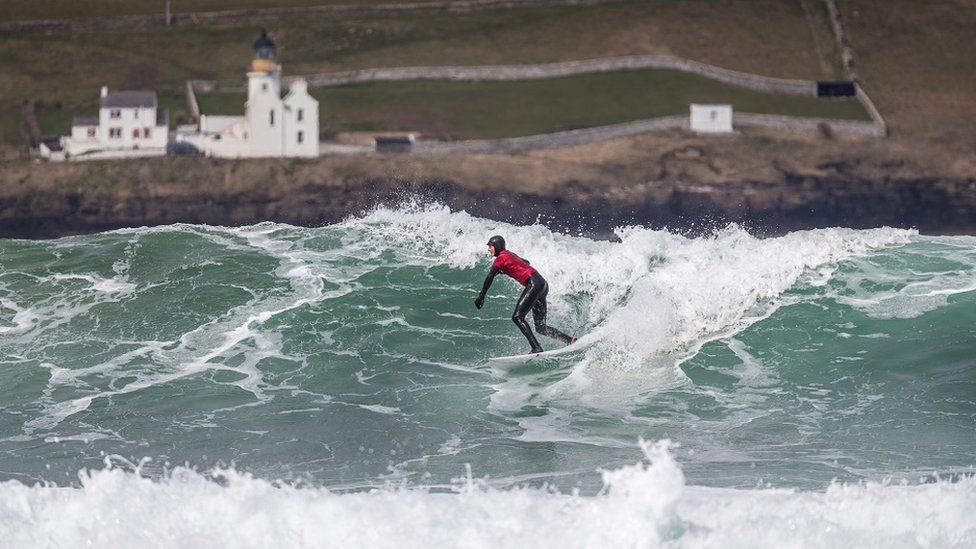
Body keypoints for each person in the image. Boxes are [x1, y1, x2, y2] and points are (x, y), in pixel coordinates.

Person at [474, 235, 575, 353]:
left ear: (496, 246)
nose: (488, 249)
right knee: (541, 327)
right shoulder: (510, 254)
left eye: (490, 246)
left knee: (517, 317)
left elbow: (490, 276)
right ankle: (570, 340)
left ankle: (536, 347)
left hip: (533, 284)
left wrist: (481, 296)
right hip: (542, 284)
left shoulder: (500, 258)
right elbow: (526, 262)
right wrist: (507, 269)